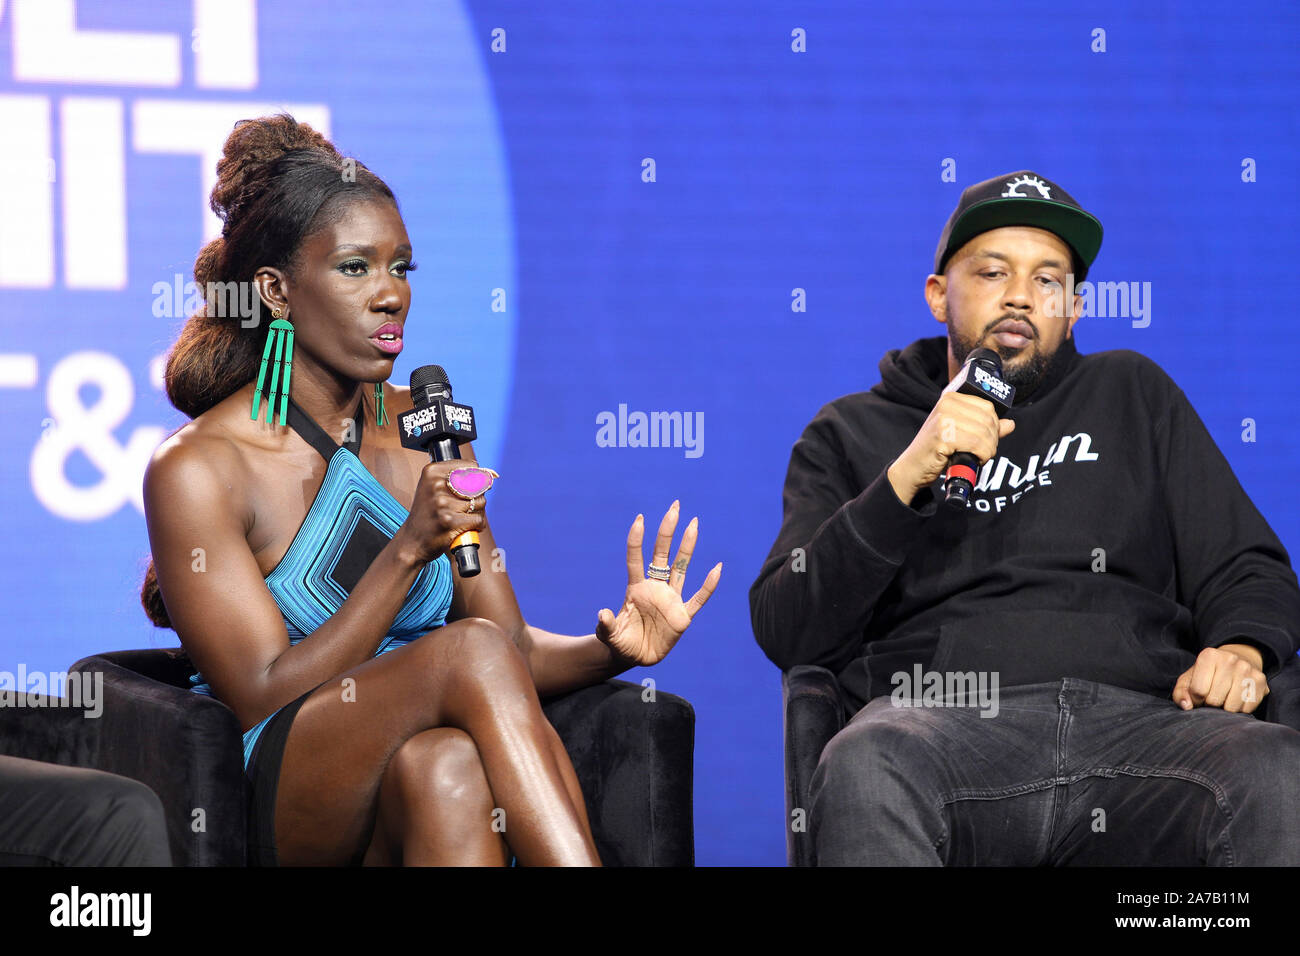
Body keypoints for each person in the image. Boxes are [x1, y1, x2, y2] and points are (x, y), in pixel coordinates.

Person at [139, 113, 721, 867]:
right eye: (356, 268)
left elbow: (509, 648)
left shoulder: (430, 428)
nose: (390, 295)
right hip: (284, 782)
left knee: (447, 767)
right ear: (276, 291)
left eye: (402, 268)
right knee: (463, 652)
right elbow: (258, 693)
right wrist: (408, 549)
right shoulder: (198, 467)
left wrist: (611, 651)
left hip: (410, 764)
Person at [749, 170, 1300, 865]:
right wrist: (905, 478)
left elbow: (1247, 567)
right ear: (937, 294)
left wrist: (1243, 651)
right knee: (867, 764)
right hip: (938, 731)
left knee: (1272, 765)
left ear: (1074, 309)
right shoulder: (851, 430)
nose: (1020, 295)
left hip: (1145, 728)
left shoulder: (1133, 392)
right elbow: (789, 625)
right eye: (992, 272)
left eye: (1048, 280)